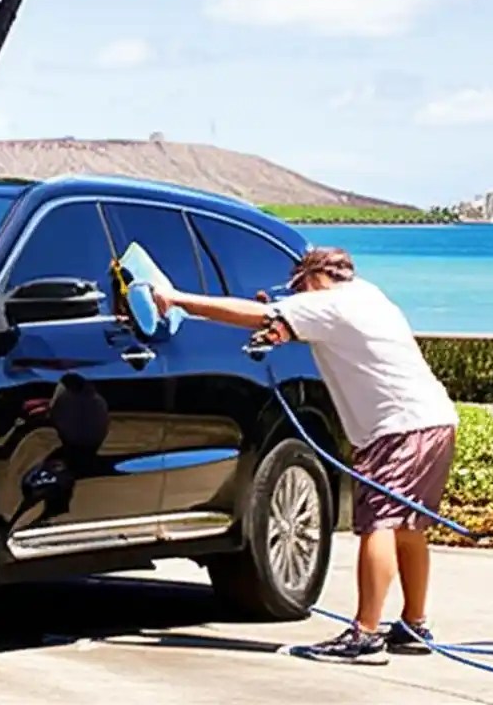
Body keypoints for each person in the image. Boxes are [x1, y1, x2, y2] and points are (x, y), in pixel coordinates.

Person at [150, 246, 458, 666]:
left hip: (399, 427)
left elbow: (258, 316)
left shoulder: (326, 304)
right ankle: (414, 625)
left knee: (380, 524)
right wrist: (284, 316)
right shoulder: (367, 295)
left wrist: (178, 299)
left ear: (311, 280)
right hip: (435, 419)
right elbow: (289, 319)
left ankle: (365, 635)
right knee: (409, 523)